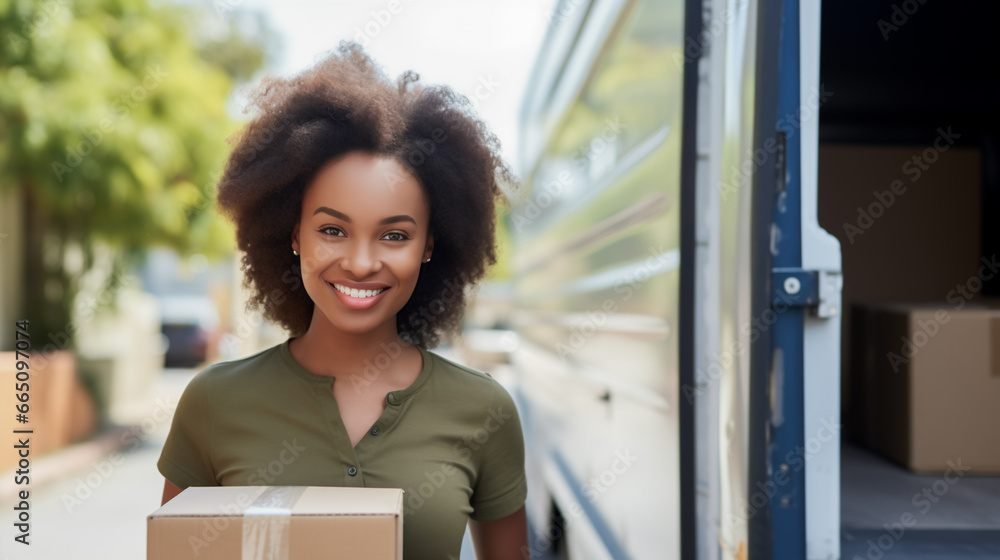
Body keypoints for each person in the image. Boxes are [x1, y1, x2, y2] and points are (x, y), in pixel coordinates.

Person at [156, 40, 529, 559]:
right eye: (333, 229)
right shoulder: (214, 403)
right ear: (292, 236)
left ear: (430, 246)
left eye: (394, 235)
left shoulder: (483, 410)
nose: (359, 262)